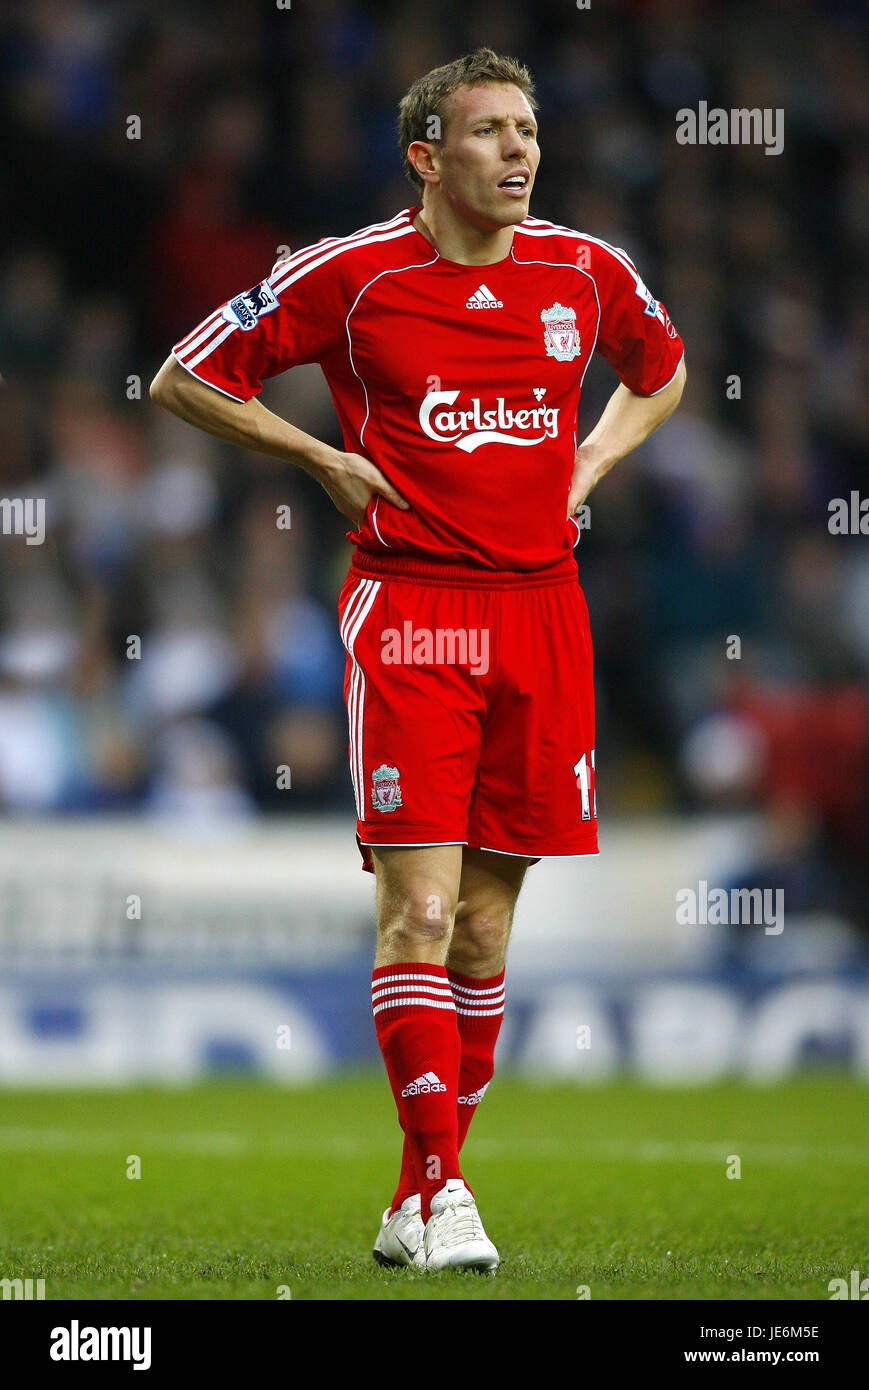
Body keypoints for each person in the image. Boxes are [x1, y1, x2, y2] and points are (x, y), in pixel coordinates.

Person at [150, 46, 686, 1273]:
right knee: (420, 910)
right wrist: (319, 458)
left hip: (544, 613)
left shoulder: (584, 271)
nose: (518, 154)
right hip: (413, 613)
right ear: (426, 155)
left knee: (486, 936)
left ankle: (413, 1196)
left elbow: (661, 373)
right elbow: (183, 377)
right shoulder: (350, 278)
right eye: (490, 132)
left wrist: (591, 462)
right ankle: (447, 1194)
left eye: (528, 131)